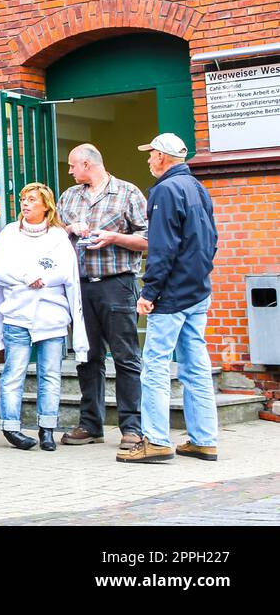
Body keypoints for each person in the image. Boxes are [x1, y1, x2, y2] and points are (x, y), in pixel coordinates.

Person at [119, 134, 220, 465]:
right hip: (197, 290)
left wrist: (149, 292)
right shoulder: (197, 188)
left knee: (156, 367)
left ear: (162, 157)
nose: (148, 160)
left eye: (151, 155)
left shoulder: (165, 191)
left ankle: (157, 440)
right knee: (196, 367)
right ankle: (204, 440)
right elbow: (211, 240)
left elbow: (162, 249)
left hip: (172, 295)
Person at [57, 143, 149, 450]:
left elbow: (149, 239)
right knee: (87, 356)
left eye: (72, 165)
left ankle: (132, 428)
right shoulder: (69, 197)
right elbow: (53, 237)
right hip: (80, 286)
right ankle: (90, 425)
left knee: (125, 358)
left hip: (117, 284)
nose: (69, 171)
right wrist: (69, 229)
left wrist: (114, 238)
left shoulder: (128, 193)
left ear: (86, 164)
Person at [0, 183, 88, 451]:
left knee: (51, 375)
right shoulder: (9, 234)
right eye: (23, 199)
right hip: (17, 316)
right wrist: (25, 276)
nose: (25, 204)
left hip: (51, 317)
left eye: (32, 199)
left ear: (46, 206)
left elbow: (67, 272)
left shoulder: (57, 237)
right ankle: (11, 428)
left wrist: (45, 277)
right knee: (13, 373)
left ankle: (47, 429)